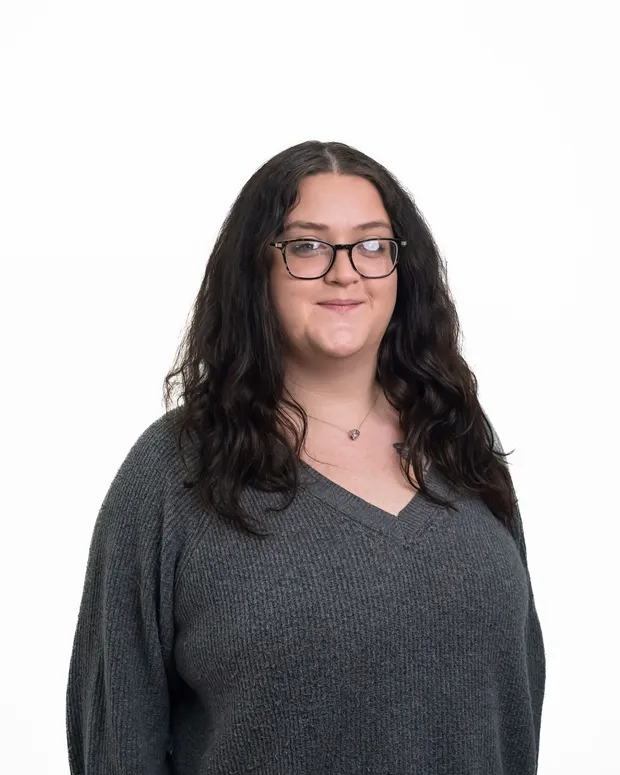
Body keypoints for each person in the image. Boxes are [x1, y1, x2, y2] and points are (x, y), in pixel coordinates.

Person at [65, 140, 546, 774]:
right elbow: (117, 743)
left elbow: (518, 703)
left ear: (402, 270)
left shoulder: (460, 444)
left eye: (372, 245)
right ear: (256, 270)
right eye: (309, 246)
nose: (345, 272)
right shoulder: (174, 473)